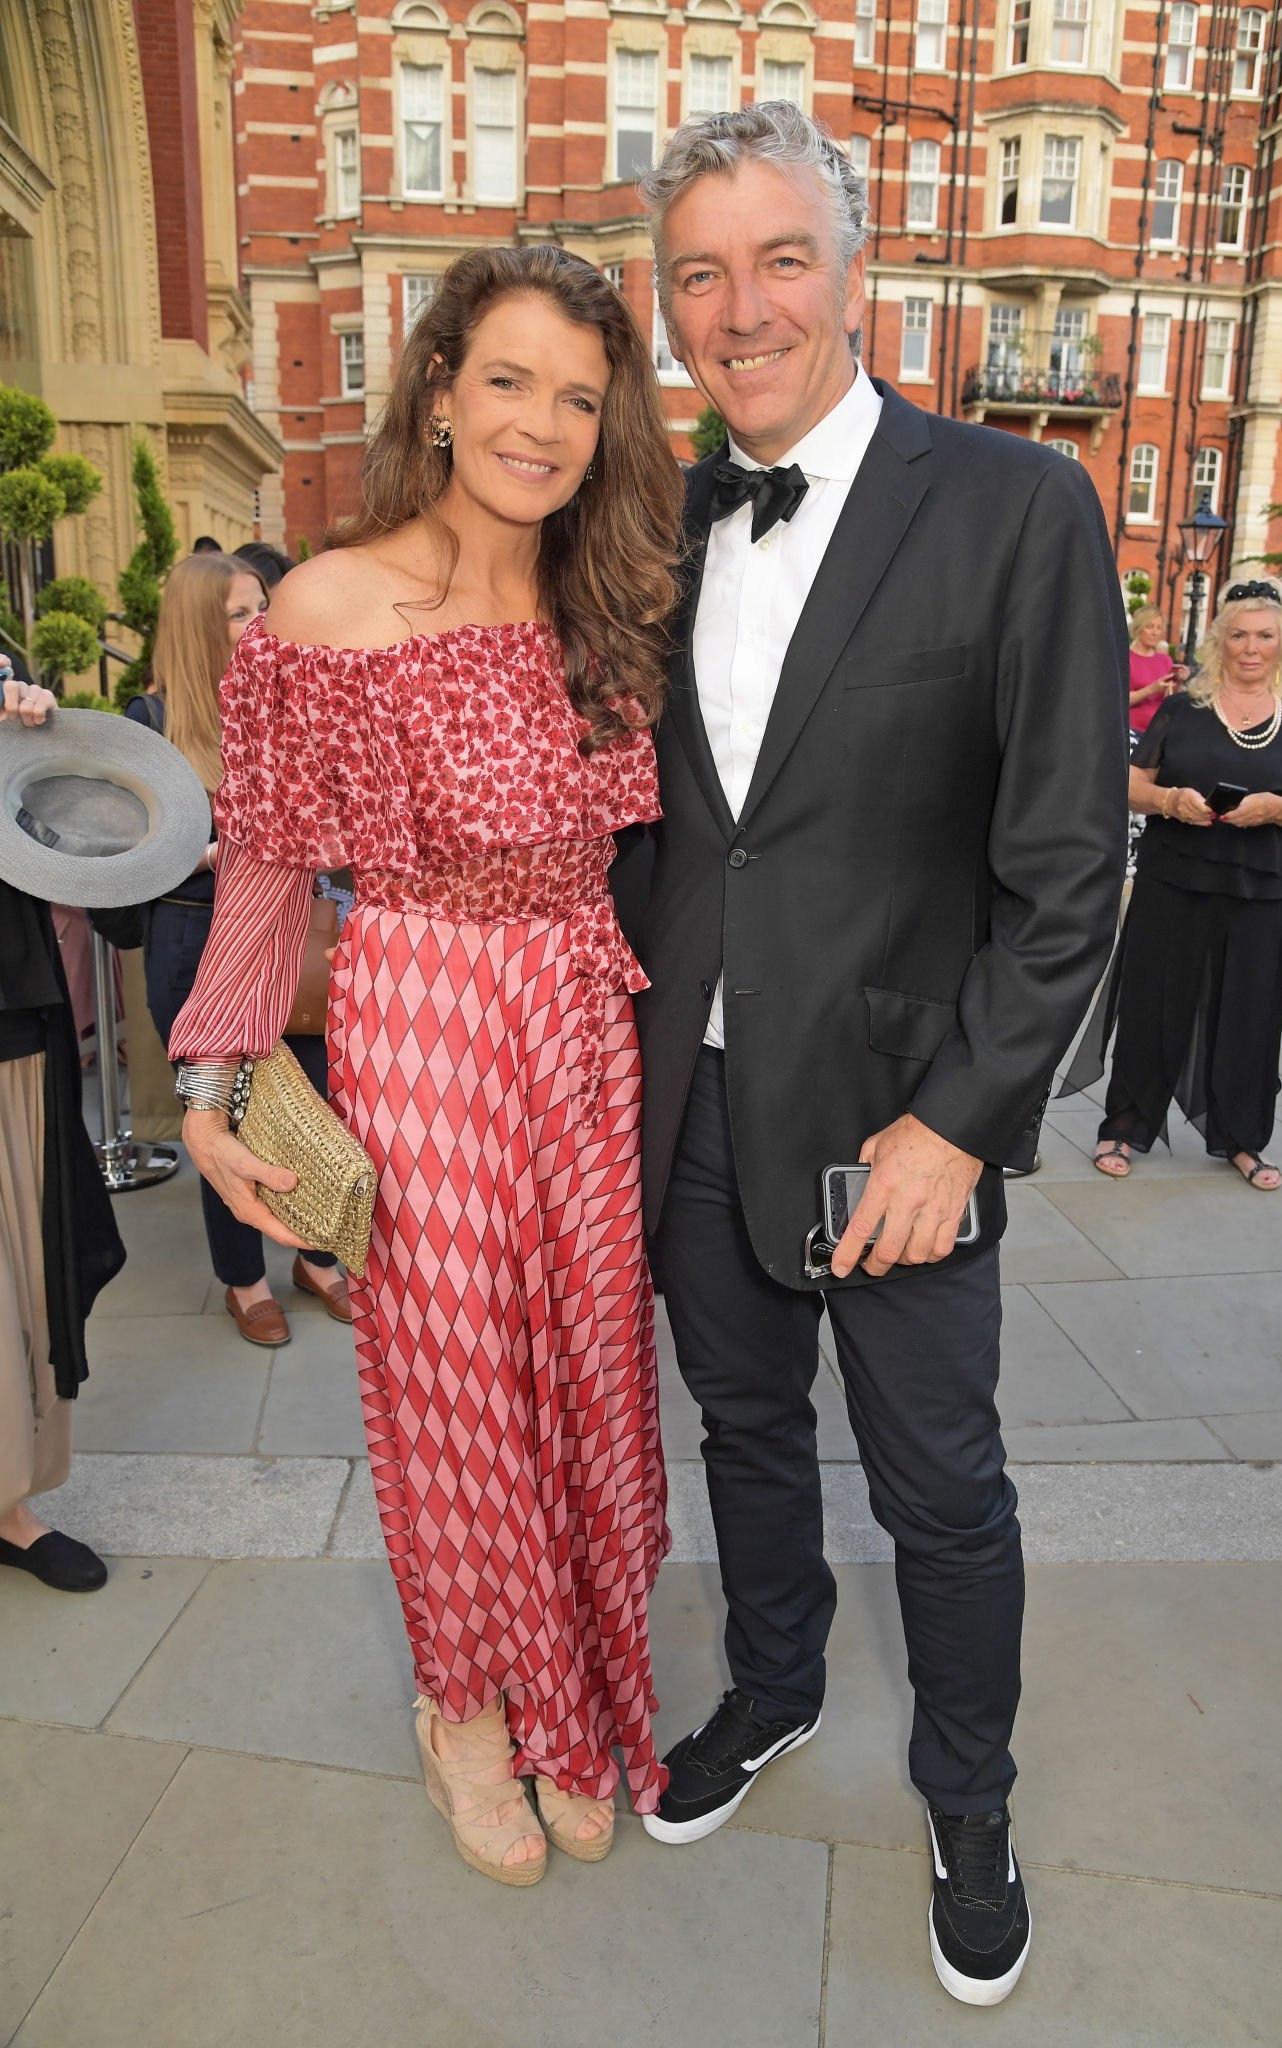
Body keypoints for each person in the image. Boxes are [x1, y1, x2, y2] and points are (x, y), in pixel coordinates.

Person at [618, 104, 1128, 2007]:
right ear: (668, 307)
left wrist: (957, 1126)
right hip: (694, 1097)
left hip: (905, 1119)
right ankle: (772, 1683)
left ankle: (969, 1795)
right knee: (744, 1432)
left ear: (856, 272)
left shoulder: (1014, 502)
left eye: (779, 259)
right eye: (699, 273)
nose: (739, 308)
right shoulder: (650, 525)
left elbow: (1068, 870)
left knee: (942, 1489)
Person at [169, 244, 682, 1883]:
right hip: (423, 1015)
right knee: (455, 1382)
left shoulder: (616, 600)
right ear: (442, 391)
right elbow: (264, 866)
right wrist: (212, 1085)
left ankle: (569, 1690)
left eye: (579, 397)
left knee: (582, 1368)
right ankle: (466, 1706)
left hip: (580, 1022)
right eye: (510, 380)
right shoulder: (328, 601)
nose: (541, 423)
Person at [128, 553, 349, 1345]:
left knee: (318, 1100)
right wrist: (233, 852)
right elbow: (128, 853)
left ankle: (317, 1257)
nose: (261, 623)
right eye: (240, 613)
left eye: (264, 606)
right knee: (221, 1113)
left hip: (295, 933)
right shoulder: (151, 722)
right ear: (199, 627)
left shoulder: (286, 706)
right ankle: (243, 1279)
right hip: (193, 933)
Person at [1077, 575, 1282, 1188]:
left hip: (1261, 889)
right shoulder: (1182, 710)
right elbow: (1130, 783)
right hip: (1174, 878)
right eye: (1239, 635)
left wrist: (1278, 809)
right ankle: (1125, 1124)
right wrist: (1169, 800)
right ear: (1219, 642)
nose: (1251, 647)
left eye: (1264, 636)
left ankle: (1242, 1137)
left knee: (1251, 1011)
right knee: (1153, 1002)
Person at [0, 666, 125, 1593]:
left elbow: (101, 879)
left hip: (11, 1022)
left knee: (24, 1275)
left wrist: (45, 750)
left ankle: (9, 1505)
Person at [1127, 606, 1187, 740]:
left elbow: (1170, 697)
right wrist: (1151, 689)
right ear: (1138, 628)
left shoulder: (1165, 660)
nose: (1155, 632)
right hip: (1134, 731)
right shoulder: (1126, 659)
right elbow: (1120, 700)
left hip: (1161, 730)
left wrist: (1179, 680)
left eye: (1159, 628)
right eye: (1150, 627)